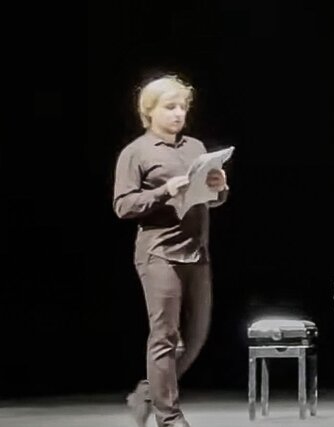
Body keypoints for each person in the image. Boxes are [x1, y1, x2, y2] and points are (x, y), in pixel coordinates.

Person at [112, 74, 229, 427]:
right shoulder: (137, 152)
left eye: (183, 107)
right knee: (165, 336)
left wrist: (219, 188)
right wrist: (164, 192)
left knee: (196, 337)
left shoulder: (195, 147)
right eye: (170, 107)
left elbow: (211, 199)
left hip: (197, 252)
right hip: (160, 253)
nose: (179, 113)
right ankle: (169, 417)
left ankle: (147, 393)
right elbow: (123, 205)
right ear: (150, 111)